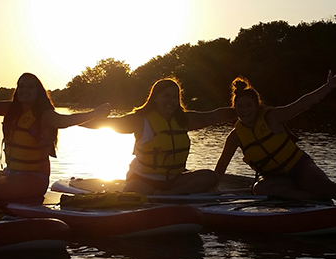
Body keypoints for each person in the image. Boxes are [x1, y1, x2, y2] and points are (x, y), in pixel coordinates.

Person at [0, 70, 111, 203]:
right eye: (21, 86)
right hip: (10, 174)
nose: (25, 90)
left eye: (31, 87)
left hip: (35, 179)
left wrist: (94, 113)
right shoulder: (11, 110)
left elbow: (65, 121)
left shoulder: (45, 115)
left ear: (38, 92)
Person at [213, 72, 336, 206]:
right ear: (234, 108)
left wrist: (328, 86)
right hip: (277, 178)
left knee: (323, 185)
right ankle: (315, 199)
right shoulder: (235, 136)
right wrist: (211, 190)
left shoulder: (272, 117)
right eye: (240, 106)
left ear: (257, 106)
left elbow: (302, 104)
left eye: (249, 105)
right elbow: (222, 165)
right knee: (260, 188)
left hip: (299, 166)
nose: (244, 110)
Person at [80, 77, 237, 194]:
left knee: (211, 177)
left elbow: (214, 116)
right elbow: (105, 124)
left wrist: (242, 111)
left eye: (174, 97)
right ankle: (165, 194)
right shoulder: (140, 121)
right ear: (155, 98)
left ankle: (169, 194)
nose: (171, 101)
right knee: (133, 188)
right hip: (144, 180)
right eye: (166, 96)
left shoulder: (184, 120)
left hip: (175, 180)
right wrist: (74, 120)